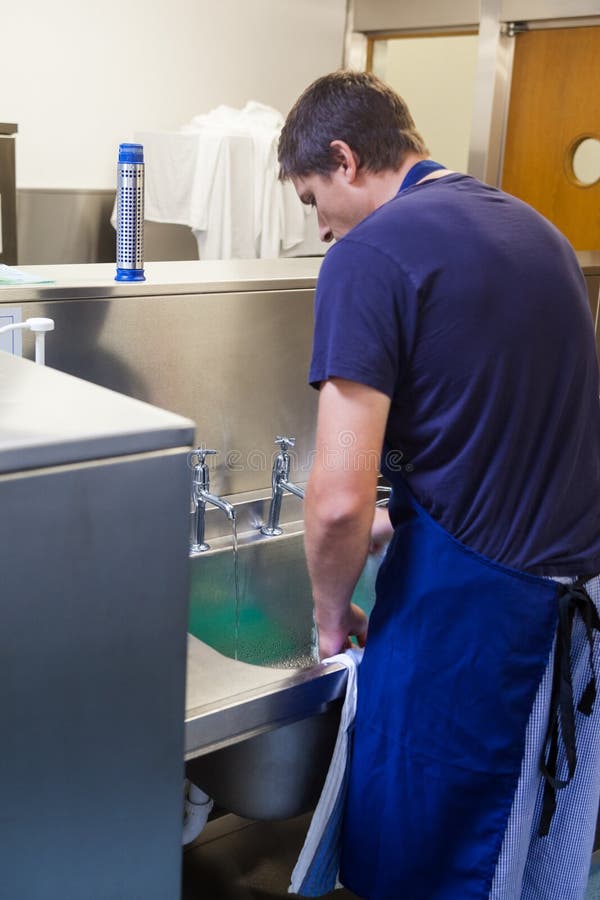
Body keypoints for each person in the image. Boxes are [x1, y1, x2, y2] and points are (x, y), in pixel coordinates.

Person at [278, 71, 600, 900]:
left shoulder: (369, 256)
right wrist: (402, 523)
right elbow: (506, 440)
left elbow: (338, 498)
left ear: (346, 160)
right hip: (570, 617)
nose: (322, 230)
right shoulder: (538, 233)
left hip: (472, 633)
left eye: (316, 200)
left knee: (425, 862)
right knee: (521, 854)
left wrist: (328, 621)